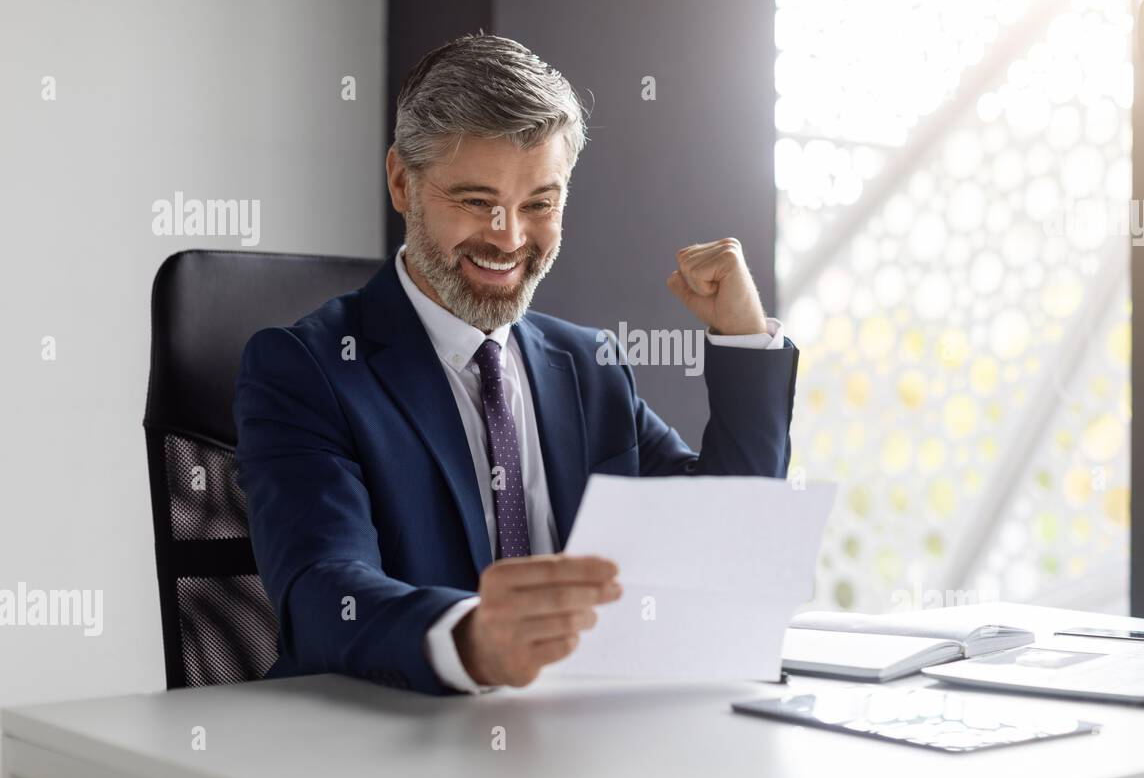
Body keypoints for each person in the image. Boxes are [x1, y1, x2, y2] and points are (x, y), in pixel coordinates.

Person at [233, 34, 798, 695]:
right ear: (400, 182)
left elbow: (725, 537)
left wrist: (742, 338)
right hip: (393, 741)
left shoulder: (591, 366)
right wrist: (471, 639)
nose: (508, 237)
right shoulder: (305, 369)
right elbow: (324, 595)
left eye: (540, 203)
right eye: (475, 201)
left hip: (579, 737)